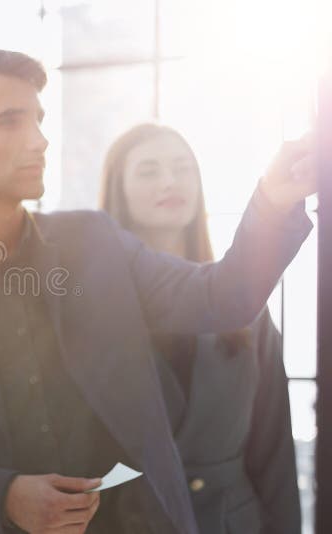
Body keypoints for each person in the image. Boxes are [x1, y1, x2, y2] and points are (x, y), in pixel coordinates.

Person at [0, 48, 316, 534]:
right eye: (11, 121)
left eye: (39, 119)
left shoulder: (96, 242)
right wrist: (2, 497)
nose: (39, 140)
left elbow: (225, 297)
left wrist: (273, 199)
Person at [99, 123, 302, 534]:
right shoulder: (90, 312)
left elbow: (274, 456)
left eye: (183, 168)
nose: (170, 181)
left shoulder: (249, 314)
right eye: (149, 170)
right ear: (117, 188)